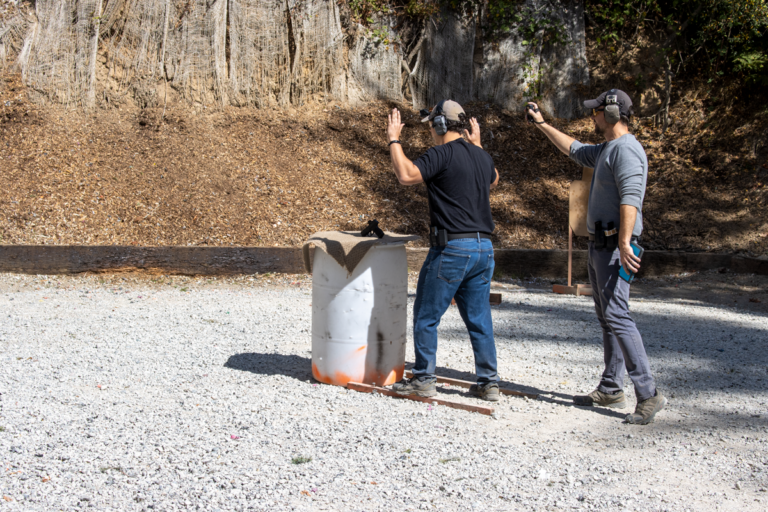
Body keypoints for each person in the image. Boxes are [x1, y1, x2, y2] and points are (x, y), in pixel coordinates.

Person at [526, 89, 666, 424]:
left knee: (617, 315)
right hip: (600, 246)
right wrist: (542, 124)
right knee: (607, 317)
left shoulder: (627, 150)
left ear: (613, 113)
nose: (593, 116)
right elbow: (574, 149)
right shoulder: (607, 149)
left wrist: (625, 242)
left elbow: (631, 199)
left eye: (597, 111)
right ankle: (611, 387)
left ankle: (648, 393)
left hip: (615, 246)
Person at [385, 100, 501, 401]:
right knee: (479, 319)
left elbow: (406, 175)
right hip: (484, 249)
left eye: (431, 126)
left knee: (426, 315)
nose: (430, 133)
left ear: (439, 125)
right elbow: (494, 179)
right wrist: (478, 146)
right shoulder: (481, 156)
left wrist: (394, 140)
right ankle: (489, 382)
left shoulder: (441, 154)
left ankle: (424, 378)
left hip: (452, 249)